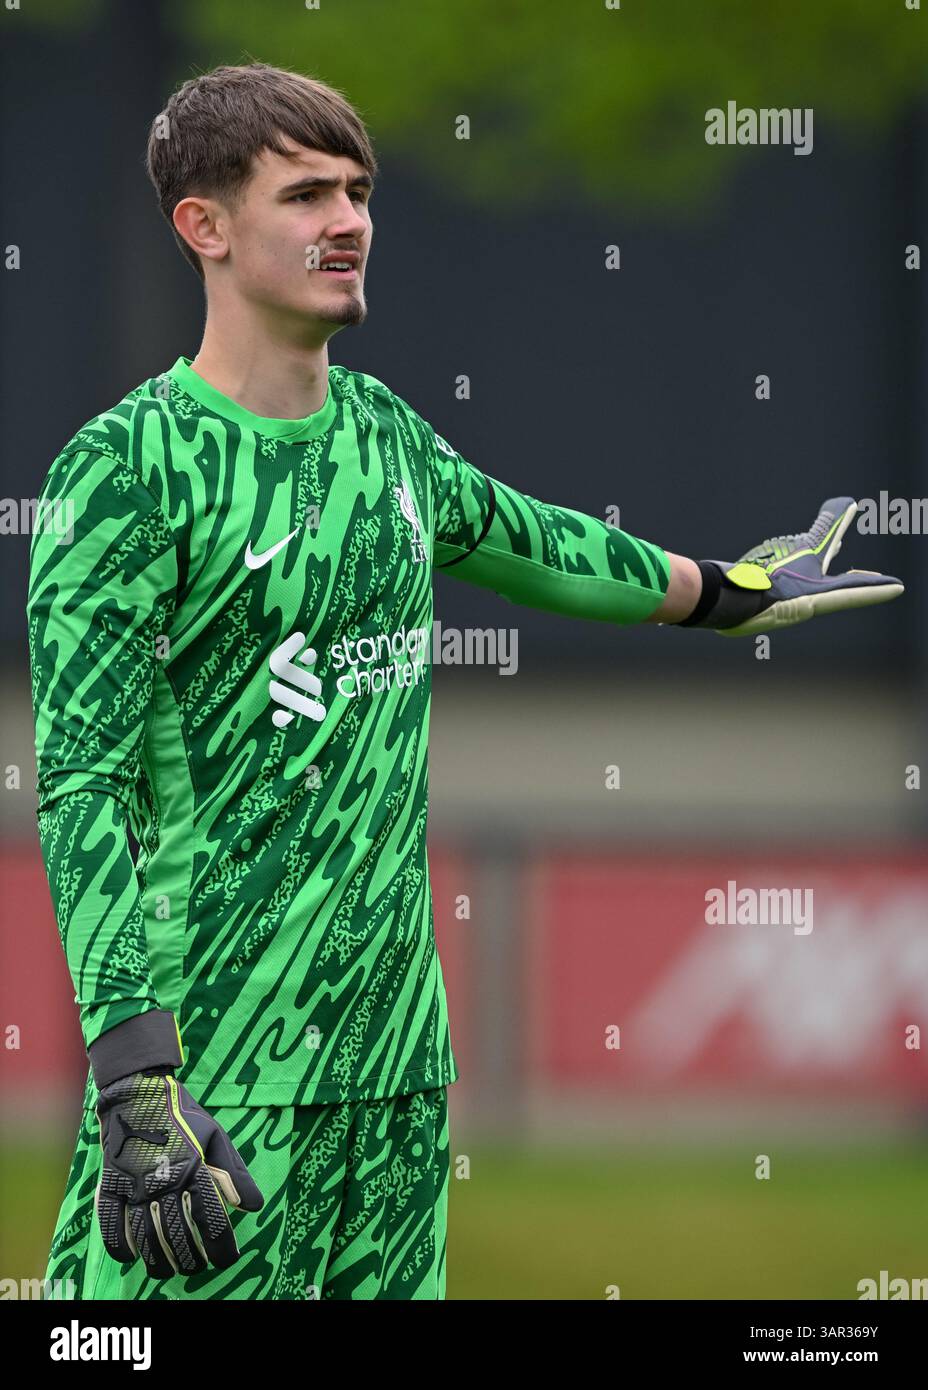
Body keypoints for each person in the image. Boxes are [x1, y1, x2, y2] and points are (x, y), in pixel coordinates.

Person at [27, 61, 902, 1302]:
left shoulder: (384, 435)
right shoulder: (125, 471)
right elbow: (84, 786)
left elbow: (541, 541)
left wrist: (726, 590)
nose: (348, 221)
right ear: (203, 226)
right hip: (212, 1089)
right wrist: (133, 1078)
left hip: (396, 1081)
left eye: (359, 191)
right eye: (307, 194)